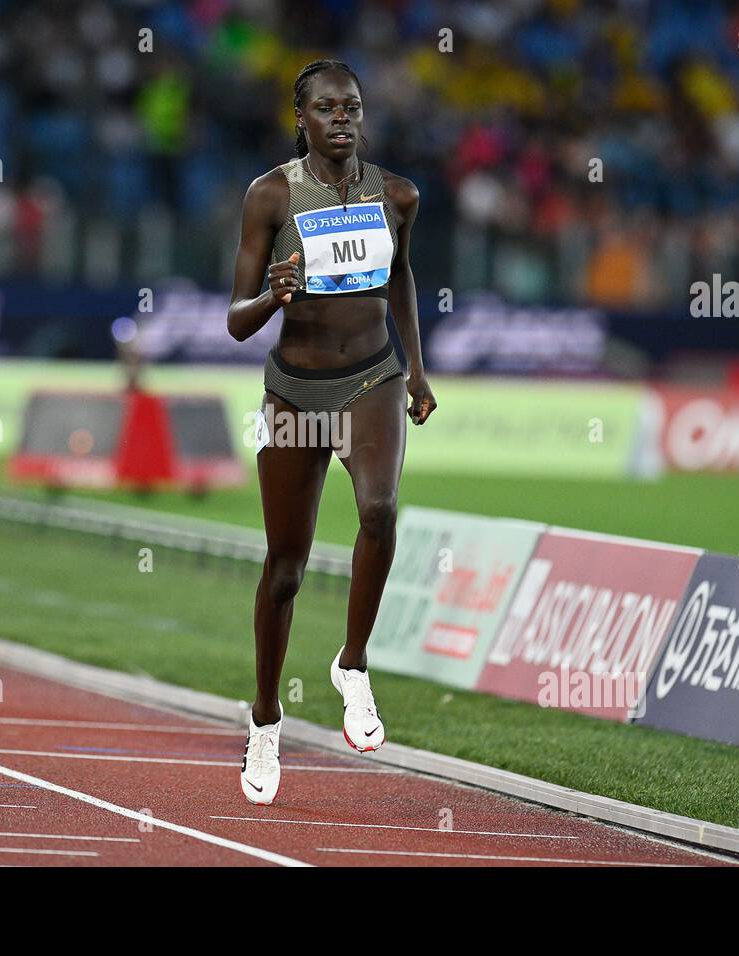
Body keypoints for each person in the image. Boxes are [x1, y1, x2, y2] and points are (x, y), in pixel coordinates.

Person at [226, 60, 437, 804]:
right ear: (302, 119)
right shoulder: (272, 195)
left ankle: (353, 663)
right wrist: (273, 296)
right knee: (285, 567)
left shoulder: (399, 195)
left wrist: (413, 369)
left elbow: (403, 276)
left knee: (379, 510)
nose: (341, 118)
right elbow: (235, 319)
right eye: (326, 107)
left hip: (370, 377)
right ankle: (264, 718)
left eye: (352, 106)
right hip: (293, 392)